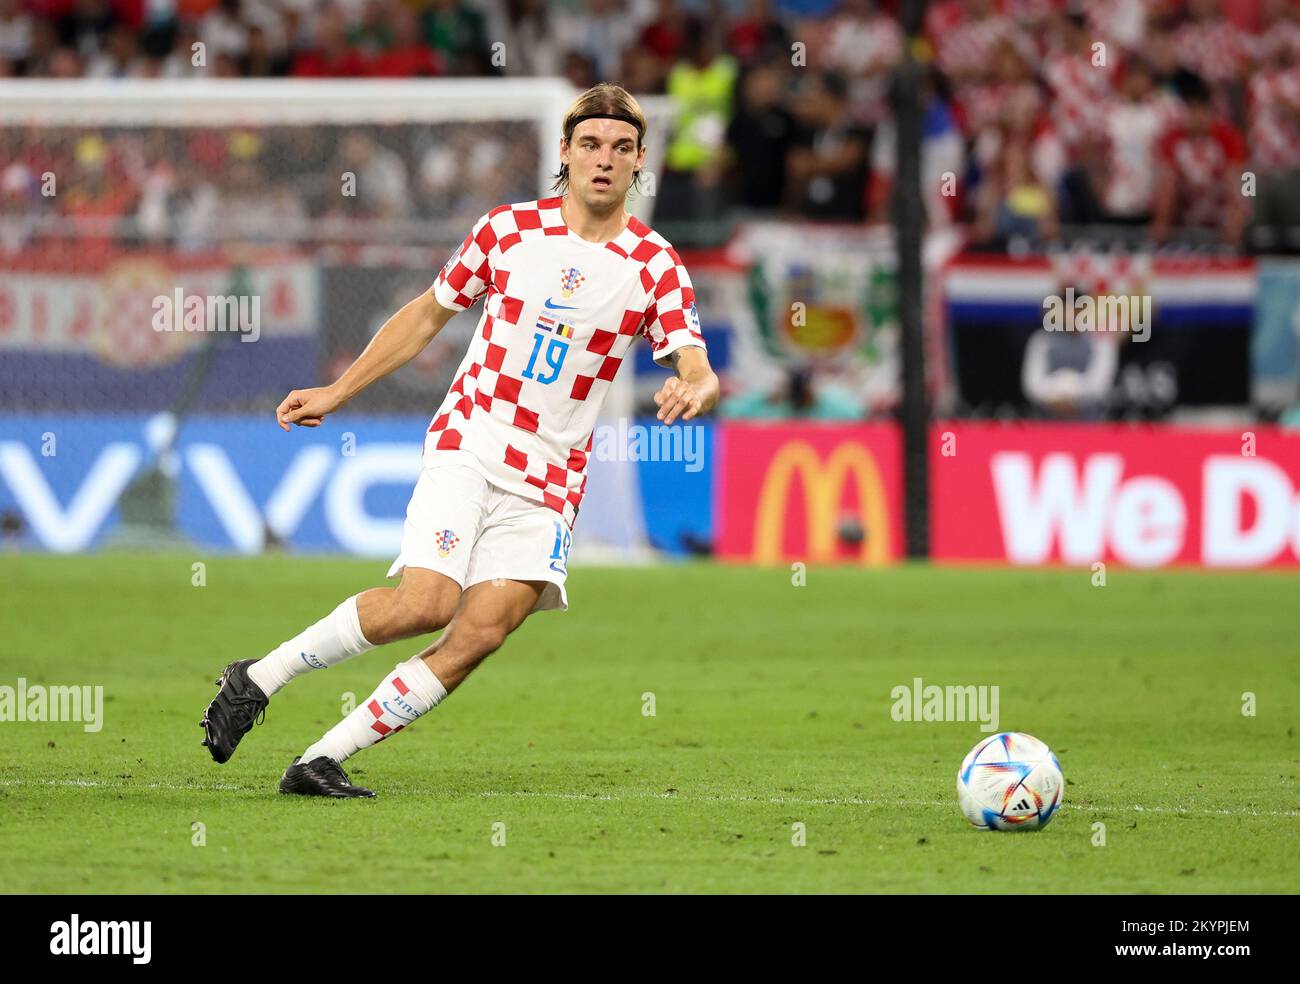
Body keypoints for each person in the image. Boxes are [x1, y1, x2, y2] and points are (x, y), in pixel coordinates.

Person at [199, 83, 720, 798]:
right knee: (426, 603)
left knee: (480, 633)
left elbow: (691, 357)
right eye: (591, 145)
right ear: (564, 153)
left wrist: (699, 382)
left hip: (552, 475)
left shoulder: (653, 264)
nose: (605, 160)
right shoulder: (507, 230)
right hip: (474, 435)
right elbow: (424, 315)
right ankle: (259, 677)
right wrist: (338, 391)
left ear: (639, 162)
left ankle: (318, 760)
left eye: (622, 149)